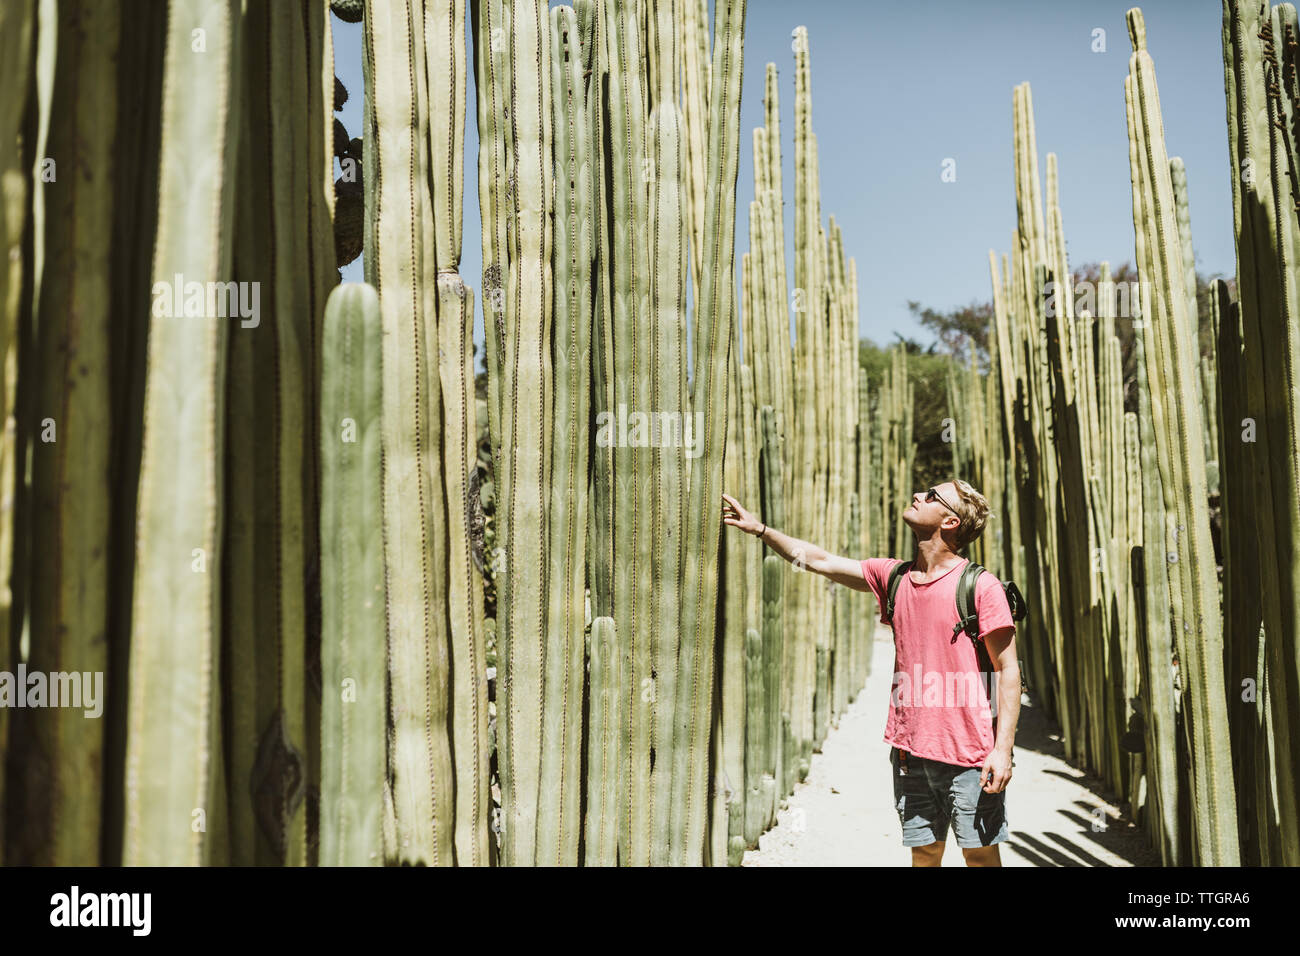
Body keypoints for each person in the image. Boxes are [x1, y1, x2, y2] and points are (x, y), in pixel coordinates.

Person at [720, 479, 1020, 867]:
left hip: (970, 754)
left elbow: (1008, 669)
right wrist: (761, 530)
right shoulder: (894, 576)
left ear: (950, 521)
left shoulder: (980, 586)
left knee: (979, 857)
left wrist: (1003, 750)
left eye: (931, 496)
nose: (918, 494)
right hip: (910, 750)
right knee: (925, 854)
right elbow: (822, 561)